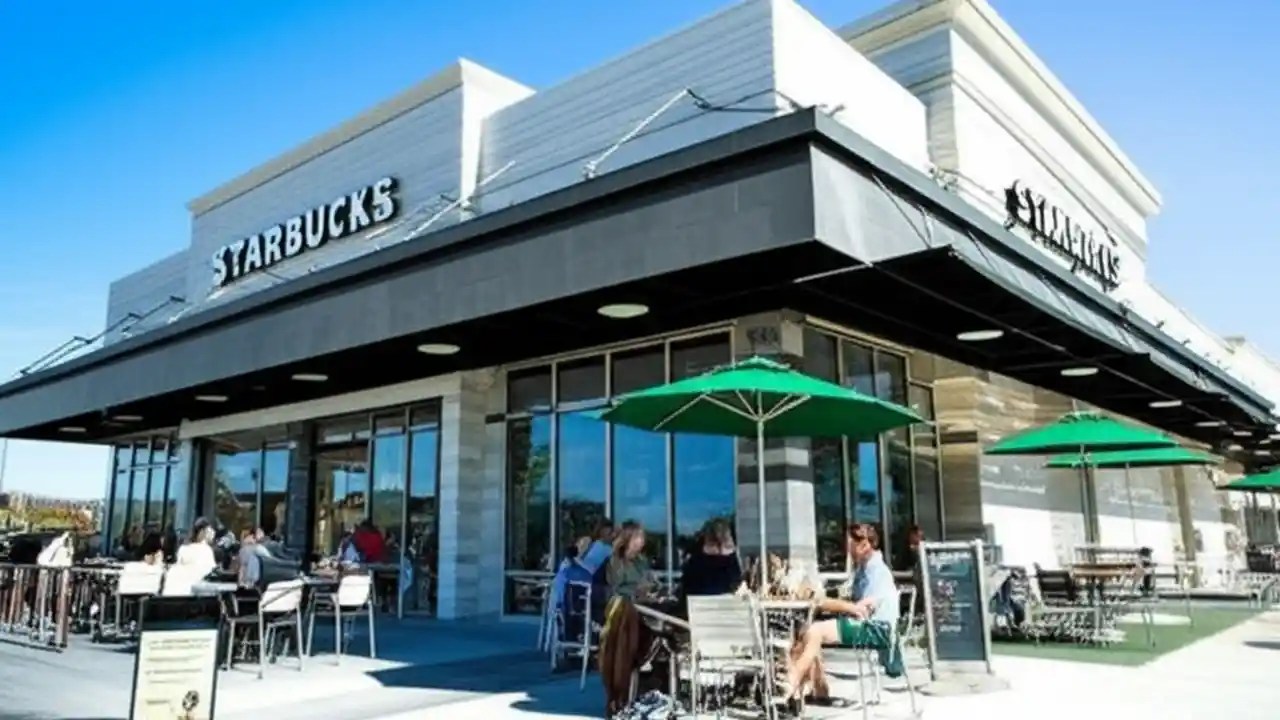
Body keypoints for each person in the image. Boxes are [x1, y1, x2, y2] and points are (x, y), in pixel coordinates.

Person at [784, 524, 902, 701]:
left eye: (850, 545)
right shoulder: (864, 568)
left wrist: (828, 603)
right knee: (805, 630)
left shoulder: (877, 571)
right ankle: (818, 689)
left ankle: (791, 682)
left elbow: (863, 608)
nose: (848, 550)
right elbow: (849, 596)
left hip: (876, 629)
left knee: (816, 631)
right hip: (871, 625)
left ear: (864, 545)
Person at [679, 519, 743, 607]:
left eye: (727, 546)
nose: (719, 551)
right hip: (702, 606)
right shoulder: (696, 563)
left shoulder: (695, 561)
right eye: (713, 545)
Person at [607, 521, 655, 601]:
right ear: (628, 538)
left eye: (643, 537)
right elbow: (614, 589)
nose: (642, 541)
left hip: (642, 603)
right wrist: (635, 593)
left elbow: (649, 581)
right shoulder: (615, 561)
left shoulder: (641, 561)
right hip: (622, 604)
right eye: (639, 537)